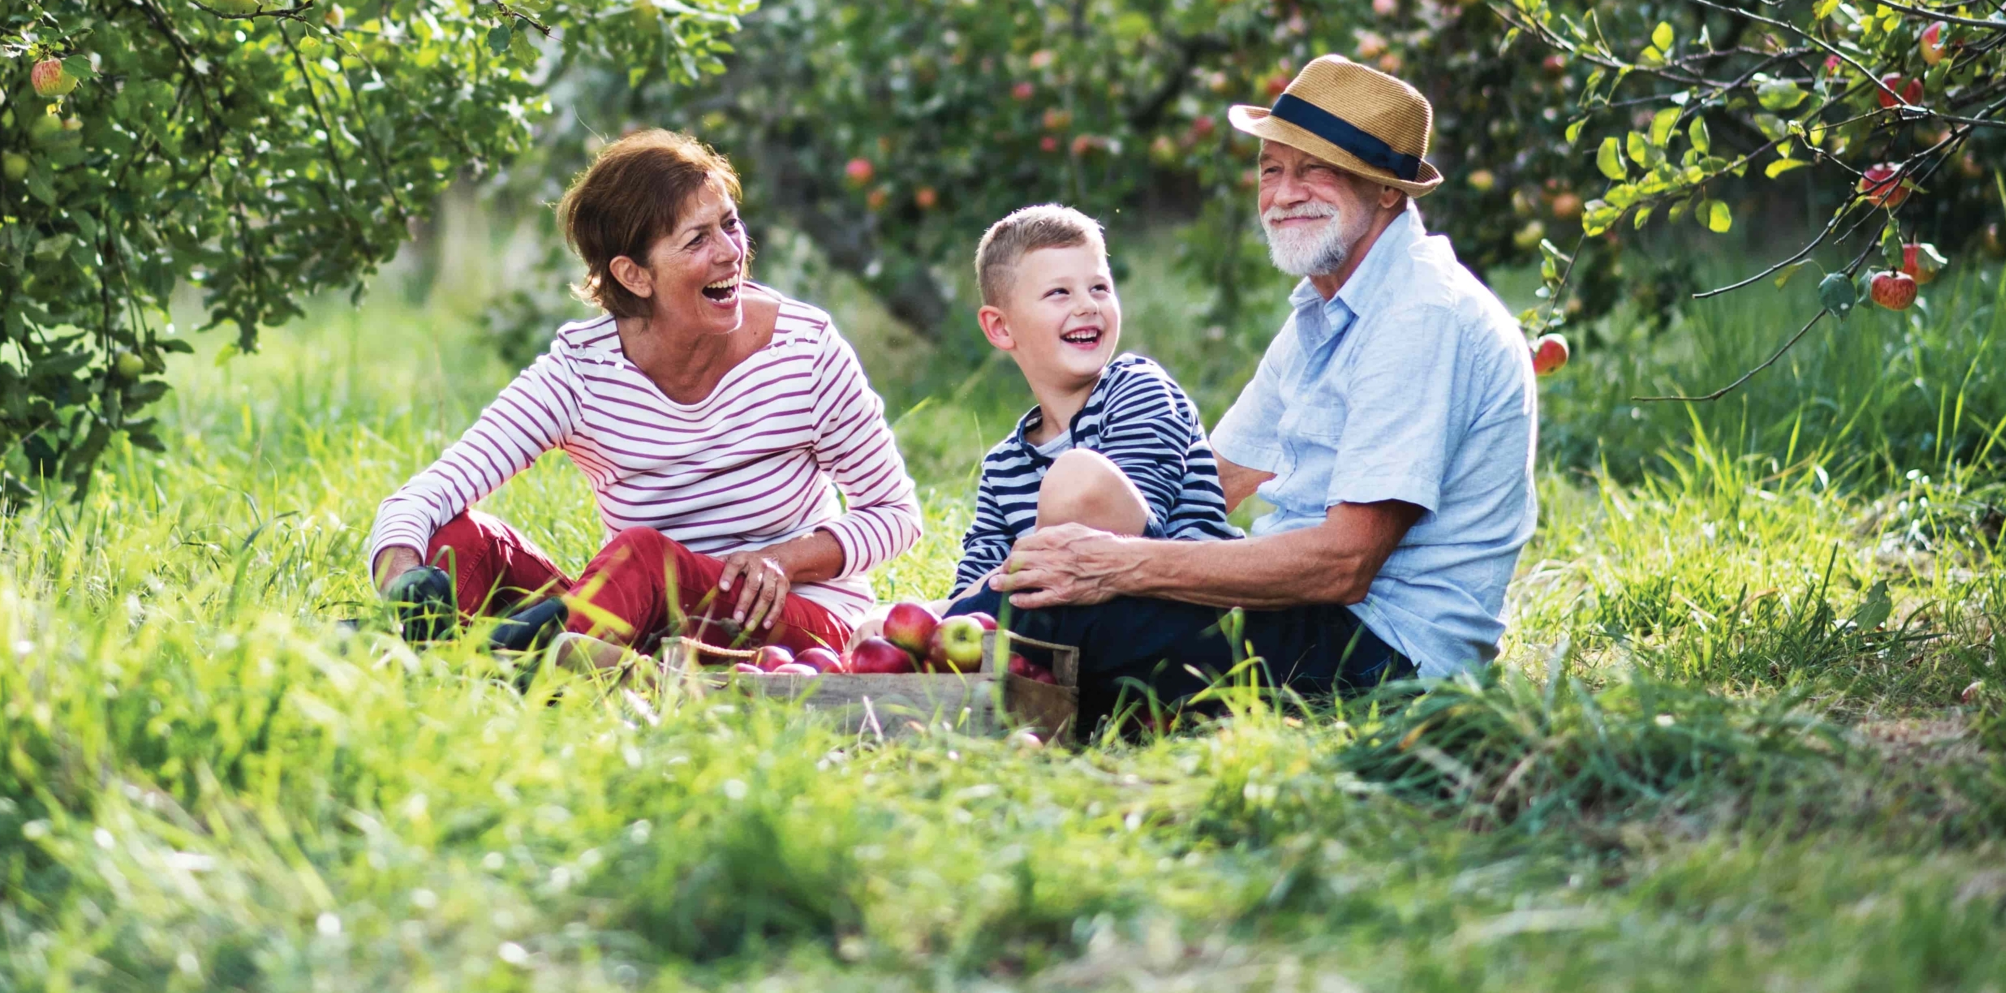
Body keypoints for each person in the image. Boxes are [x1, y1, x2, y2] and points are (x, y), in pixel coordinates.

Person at [973, 55, 1538, 725]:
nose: (1283, 193)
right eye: (1272, 169)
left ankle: (910, 684)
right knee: (1055, 602)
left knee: (1070, 617)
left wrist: (1120, 567)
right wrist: (1084, 533)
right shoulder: (1325, 309)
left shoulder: (1418, 314)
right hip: (1313, 619)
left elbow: (1346, 564)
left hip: (1388, 661)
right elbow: (1213, 477)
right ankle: (915, 649)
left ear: (1388, 191)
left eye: (1315, 171)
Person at [366, 129, 922, 678]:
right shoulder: (582, 372)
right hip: (635, 623)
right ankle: (492, 660)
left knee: (647, 557)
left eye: (730, 224)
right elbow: (424, 498)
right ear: (633, 275)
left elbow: (897, 516)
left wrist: (785, 557)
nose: (731, 252)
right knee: (459, 543)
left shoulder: (804, 349)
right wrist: (404, 584)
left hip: (790, 624)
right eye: (697, 239)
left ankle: (497, 671)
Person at [857, 206, 1238, 646]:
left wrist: (944, 613)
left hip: (1190, 623)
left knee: (1075, 478)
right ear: (1000, 327)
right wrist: (927, 619)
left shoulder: (1138, 388)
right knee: (951, 631)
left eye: (1100, 287)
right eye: (1059, 292)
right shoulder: (1004, 466)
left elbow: (1114, 538)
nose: (1087, 305)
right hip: (1082, 634)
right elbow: (971, 598)